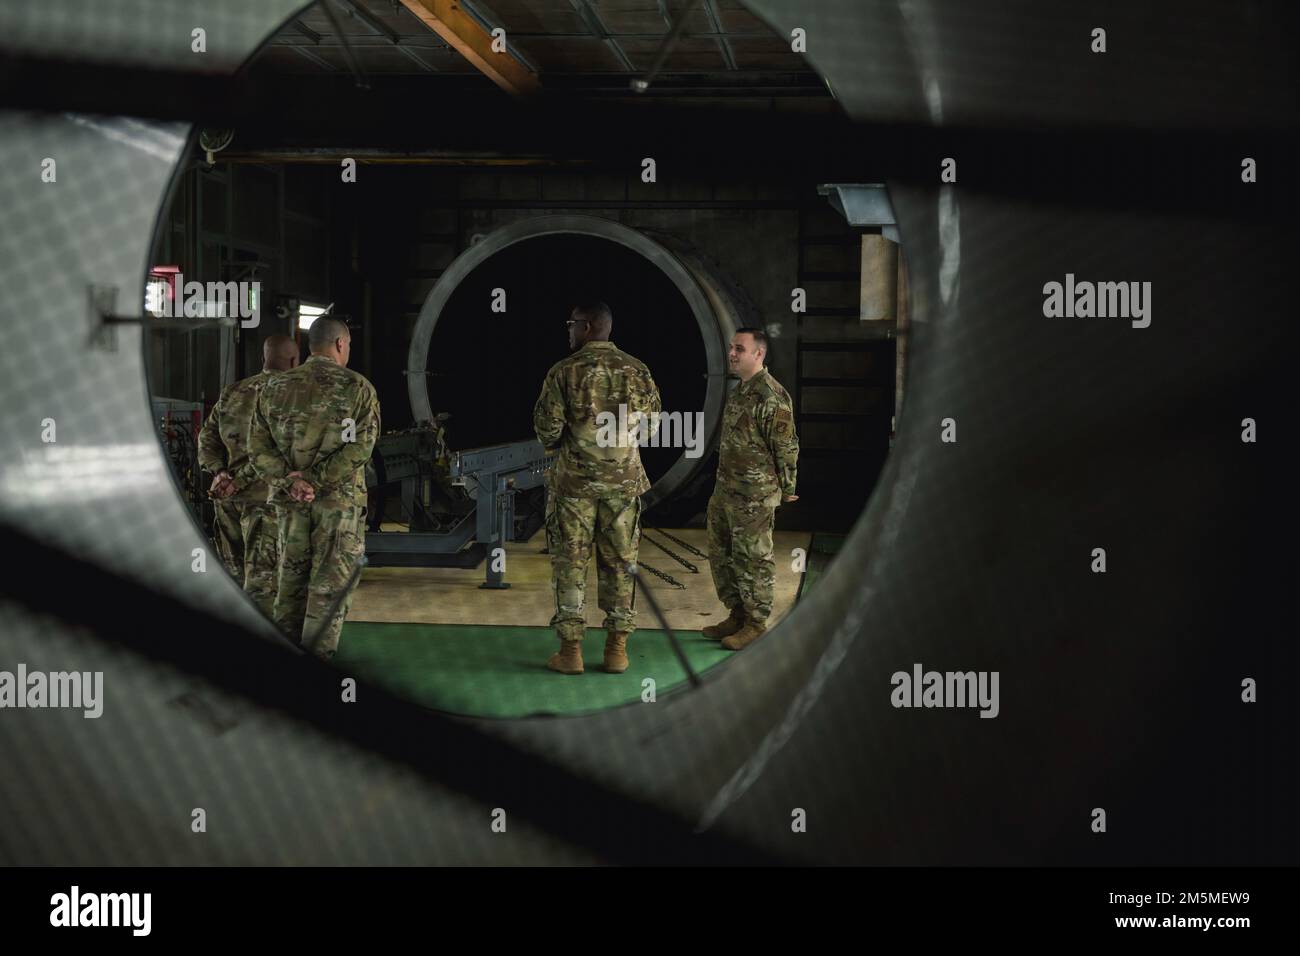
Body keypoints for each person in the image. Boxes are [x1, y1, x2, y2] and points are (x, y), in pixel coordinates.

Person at [533, 302, 661, 675]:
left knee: (570, 564)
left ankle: (571, 652)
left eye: (571, 323)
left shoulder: (564, 371)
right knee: (621, 564)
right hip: (623, 486)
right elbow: (651, 428)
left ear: (587, 327)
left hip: (574, 486)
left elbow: (548, 429)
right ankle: (616, 650)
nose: (568, 330)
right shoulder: (637, 370)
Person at [248, 317, 379, 659]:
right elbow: (359, 448)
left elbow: (256, 449)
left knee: (288, 589)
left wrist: (290, 480)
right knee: (328, 591)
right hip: (337, 509)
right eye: (348, 345)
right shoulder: (358, 389)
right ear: (339, 344)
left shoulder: (273, 388)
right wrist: (316, 480)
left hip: (288, 507)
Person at [703, 327, 799, 651]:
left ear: (758, 354)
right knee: (722, 553)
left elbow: (786, 446)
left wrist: (787, 487)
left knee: (753, 558)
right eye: (731, 347)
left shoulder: (772, 396)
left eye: (739, 349)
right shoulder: (739, 392)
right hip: (726, 490)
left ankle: (756, 624)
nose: (732, 353)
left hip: (754, 496)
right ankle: (738, 614)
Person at [197, 335, 299, 617]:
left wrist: (219, 474)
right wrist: (238, 481)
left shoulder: (233, 392)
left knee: (231, 575)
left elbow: (206, 438)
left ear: (262, 358)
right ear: (294, 361)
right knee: (262, 582)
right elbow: (275, 452)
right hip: (263, 501)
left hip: (226, 501)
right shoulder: (290, 397)